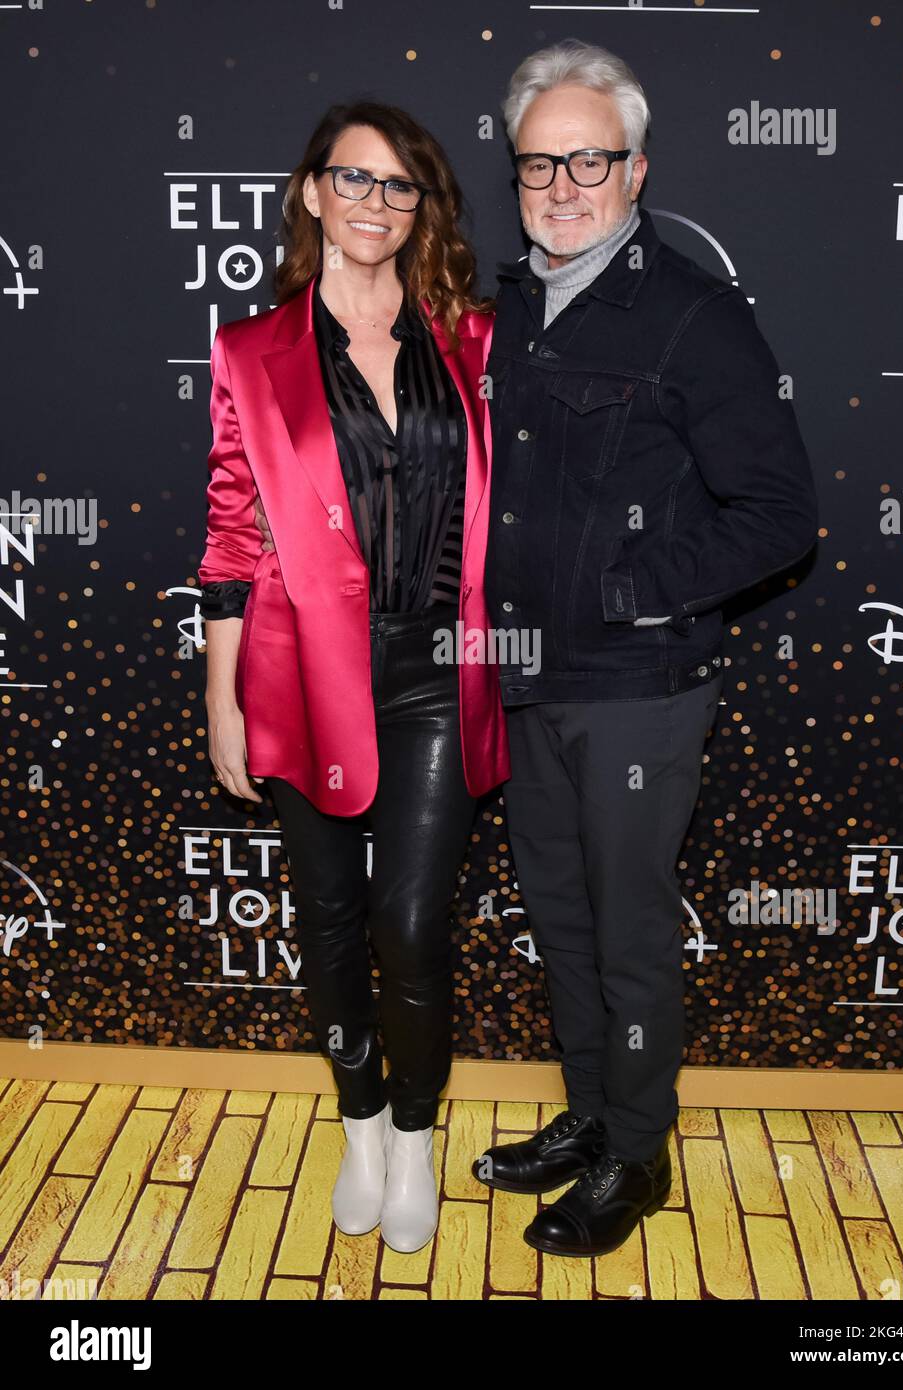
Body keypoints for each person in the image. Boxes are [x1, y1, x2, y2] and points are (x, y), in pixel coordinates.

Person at [470, 39, 819, 1258]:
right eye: (536, 165)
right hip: (522, 679)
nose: (562, 185)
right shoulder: (505, 307)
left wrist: (629, 591)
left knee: (626, 934)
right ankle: (590, 1115)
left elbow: (781, 516)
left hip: (635, 688)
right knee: (560, 919)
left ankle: (638, 1153)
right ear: (512, 177)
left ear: (636, 168)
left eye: (589, 160)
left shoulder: (694, 315)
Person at [198, 101, 509, 1255]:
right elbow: (232, 540)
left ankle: (419, 1134)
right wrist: (221, 698)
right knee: (329, 926)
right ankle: (363, 1124)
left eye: (399, 185)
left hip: (437, 663)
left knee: (413, 923)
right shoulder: (251, 350)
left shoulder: (471, 337)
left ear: (420, 205)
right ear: (314, 192)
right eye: (354, 179)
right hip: (298, 670)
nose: (375, 202)